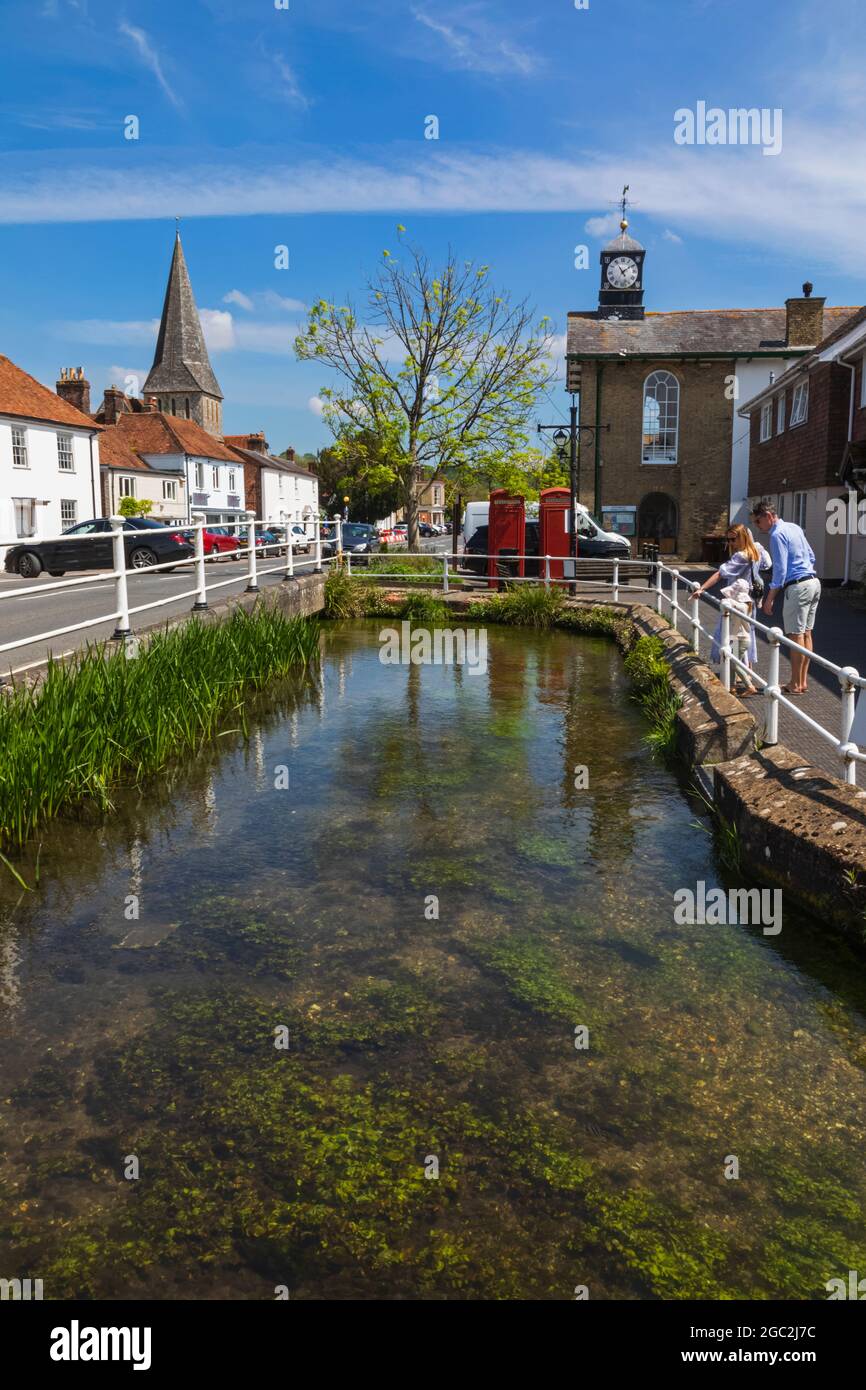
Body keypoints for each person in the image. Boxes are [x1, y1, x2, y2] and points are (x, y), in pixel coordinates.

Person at [751, 501, 820, 695]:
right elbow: (811, 556)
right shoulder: (794, 527)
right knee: (806, 633)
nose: (758, 526)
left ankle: (795, 684)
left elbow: (780, 571)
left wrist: (769, 598)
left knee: (795, 635)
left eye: (758, 521)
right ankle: (802, 681)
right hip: (813, 582)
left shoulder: (776, 534)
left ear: (768, 516)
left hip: (797, 586)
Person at [694, 523, 770, 696]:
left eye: (732, 539)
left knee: (730, 639)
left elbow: (720, 573)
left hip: (736, 602)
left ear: (742, 537)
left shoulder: (741, 556)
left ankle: (740, 682)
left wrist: (702, 588)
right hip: (749, 602)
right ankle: (740, 677)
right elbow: (767, 564)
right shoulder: (756, 552)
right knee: (744, 637)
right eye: (727, 539)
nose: (730, 542)